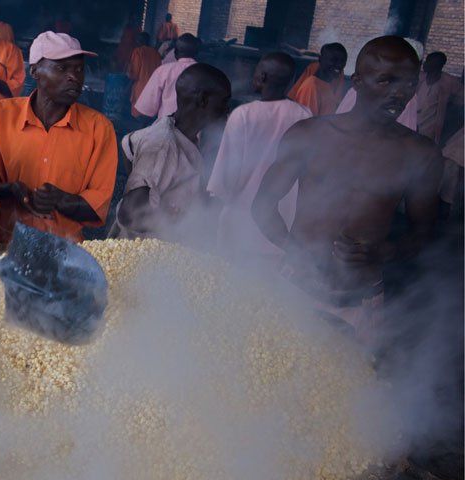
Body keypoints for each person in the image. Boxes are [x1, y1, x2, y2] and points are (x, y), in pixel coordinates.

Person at [252, 36, 442, 346]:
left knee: (342, 389)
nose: (399, 94)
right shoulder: (309, 135)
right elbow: (262, 206)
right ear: (358, 81)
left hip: (361, 299)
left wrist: (384, 252)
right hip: (294, 289)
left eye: (409, 84)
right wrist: (294, 249)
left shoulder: (420, 154)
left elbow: (423, 232)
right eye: (386, 81)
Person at [0, 32, 116, 244]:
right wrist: (10, 189)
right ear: (34, 71)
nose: (74, 76)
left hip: (65, 252)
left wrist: (60, 200)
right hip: (5, 245)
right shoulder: (0, 116)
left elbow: (98, 208)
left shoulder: (99, 129)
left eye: (79, 69)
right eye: (62, 68)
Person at [206, 52, 311, 269]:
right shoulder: (305, 115)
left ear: (261, 77)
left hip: (240, 225)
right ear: (292, 81)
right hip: (281, 228)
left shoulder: (243, 115)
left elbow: (225, 178)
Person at [110, 63, 230, 244]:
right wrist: (177, 222)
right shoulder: (163, 145)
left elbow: (129, 145)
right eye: (223, 103)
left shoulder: (181, 135)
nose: (226, 111)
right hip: (143, 256)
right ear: (203, 99)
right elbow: (131, 214)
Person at [133, 33, 199, 121]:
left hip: (166, 126)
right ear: (197, 53)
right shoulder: (205, 73)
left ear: (175, 52)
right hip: (194, 129)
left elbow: (148, 108)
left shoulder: (163, 70)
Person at [416, 52, 463, 143]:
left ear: (437, 65)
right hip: (414, 123)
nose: (425, 64)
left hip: (428, 131)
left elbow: (461, 96)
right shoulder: (421, 78)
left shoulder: (447, 83)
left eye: (428, 61)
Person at [288, 42, 347, 116]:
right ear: (320, 59)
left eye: (343, 61)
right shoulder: (312, 85)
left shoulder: (338, 74)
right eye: (333, 60)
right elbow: (307, 120)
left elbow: (337, 102)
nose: (339, 65)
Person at [126, 32, 161, 118]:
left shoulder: (138, 51)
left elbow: (134, 74)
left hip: (140, 88)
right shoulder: (156, 53)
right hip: (153, 88)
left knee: (137, 115)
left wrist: (127, 72)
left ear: (139, 41)